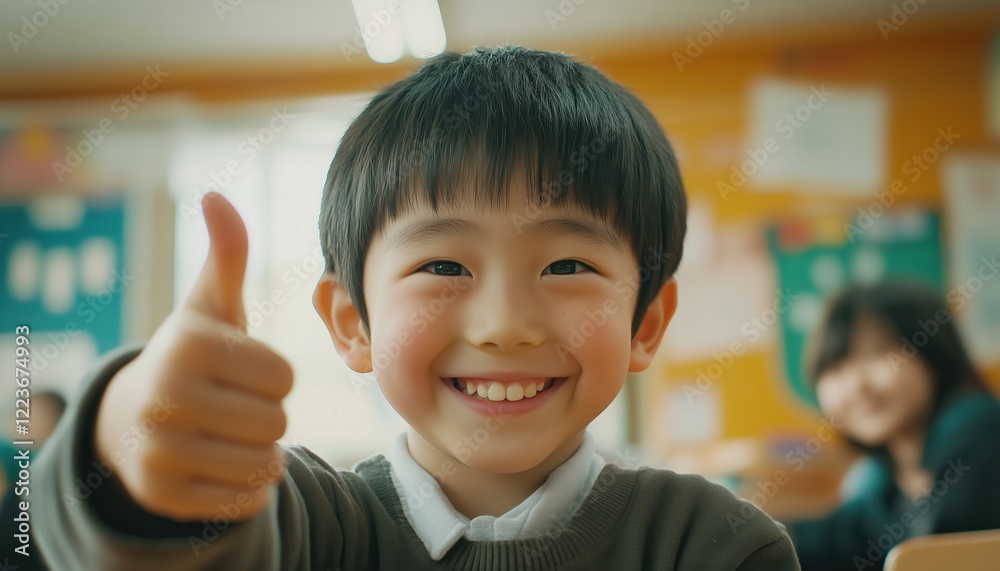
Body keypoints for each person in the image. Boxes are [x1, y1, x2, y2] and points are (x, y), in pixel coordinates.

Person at [32, 47, 798, 570]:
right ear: (351, 322)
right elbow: (138, 544)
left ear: (648, 323)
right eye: (443, 264)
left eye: (569, 264)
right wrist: (128, 437)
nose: (504, 323)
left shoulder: (716, 545)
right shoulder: (306, 523)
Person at [787, 279, 1000, 570]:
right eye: (836, 366)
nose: (856, 384)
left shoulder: (978, 431)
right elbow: (836, 539)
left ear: (933, 352)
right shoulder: (879, 480)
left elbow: (944, 553)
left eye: (877, 352)